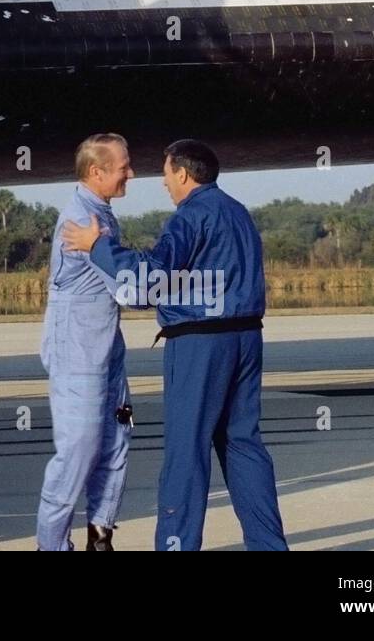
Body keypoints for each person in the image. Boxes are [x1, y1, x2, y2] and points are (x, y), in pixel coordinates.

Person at [63, 139, 288, 551]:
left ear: (183, 174)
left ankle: (176, 544)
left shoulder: (190, 216)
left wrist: (97, 247)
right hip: (247, 339)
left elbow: (152, 277)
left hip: (199, 344)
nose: (163, 183)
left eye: (166, 173)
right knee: (244, 445)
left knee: (187, 453)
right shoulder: (239, 213)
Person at [37, 133, 135, 552]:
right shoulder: (81, 221)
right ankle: (52, 545)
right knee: (78, 451)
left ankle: (100, 535)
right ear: (96, 172)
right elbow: (128, 288)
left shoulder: (102, 215)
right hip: (78, 352)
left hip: (106, 347)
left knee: (117, 439)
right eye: (123, 167)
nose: (131, 173)